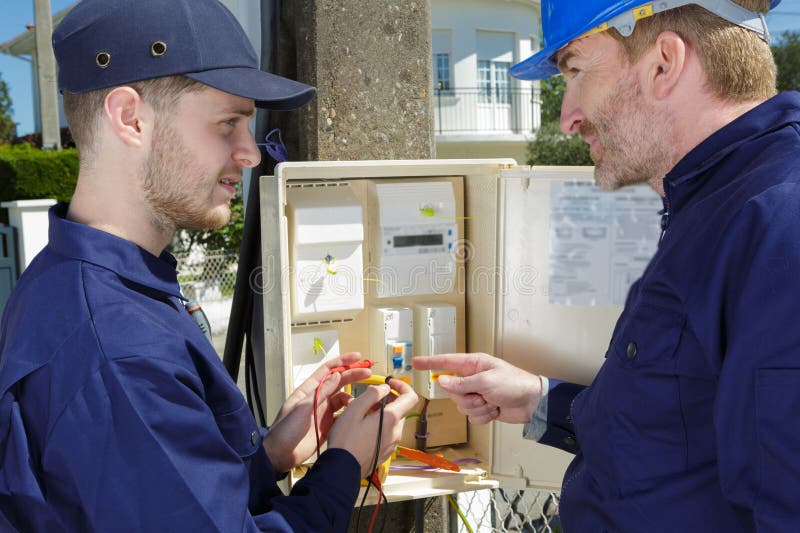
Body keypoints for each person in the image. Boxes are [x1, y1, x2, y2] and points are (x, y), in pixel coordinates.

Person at [0, 0, 417, 531]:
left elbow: (160, 497)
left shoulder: (71, 281)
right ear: (130, 118)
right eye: (228, 122)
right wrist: (345, 463)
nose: (250, 153)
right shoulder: (118, 348)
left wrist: (265, 458)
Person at [414, 0, 800, 530]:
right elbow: (678, 431)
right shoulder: (716, 208)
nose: (567, 117)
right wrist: (540, 400)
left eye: (575, 70)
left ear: (664, 63)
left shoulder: (779, 220)